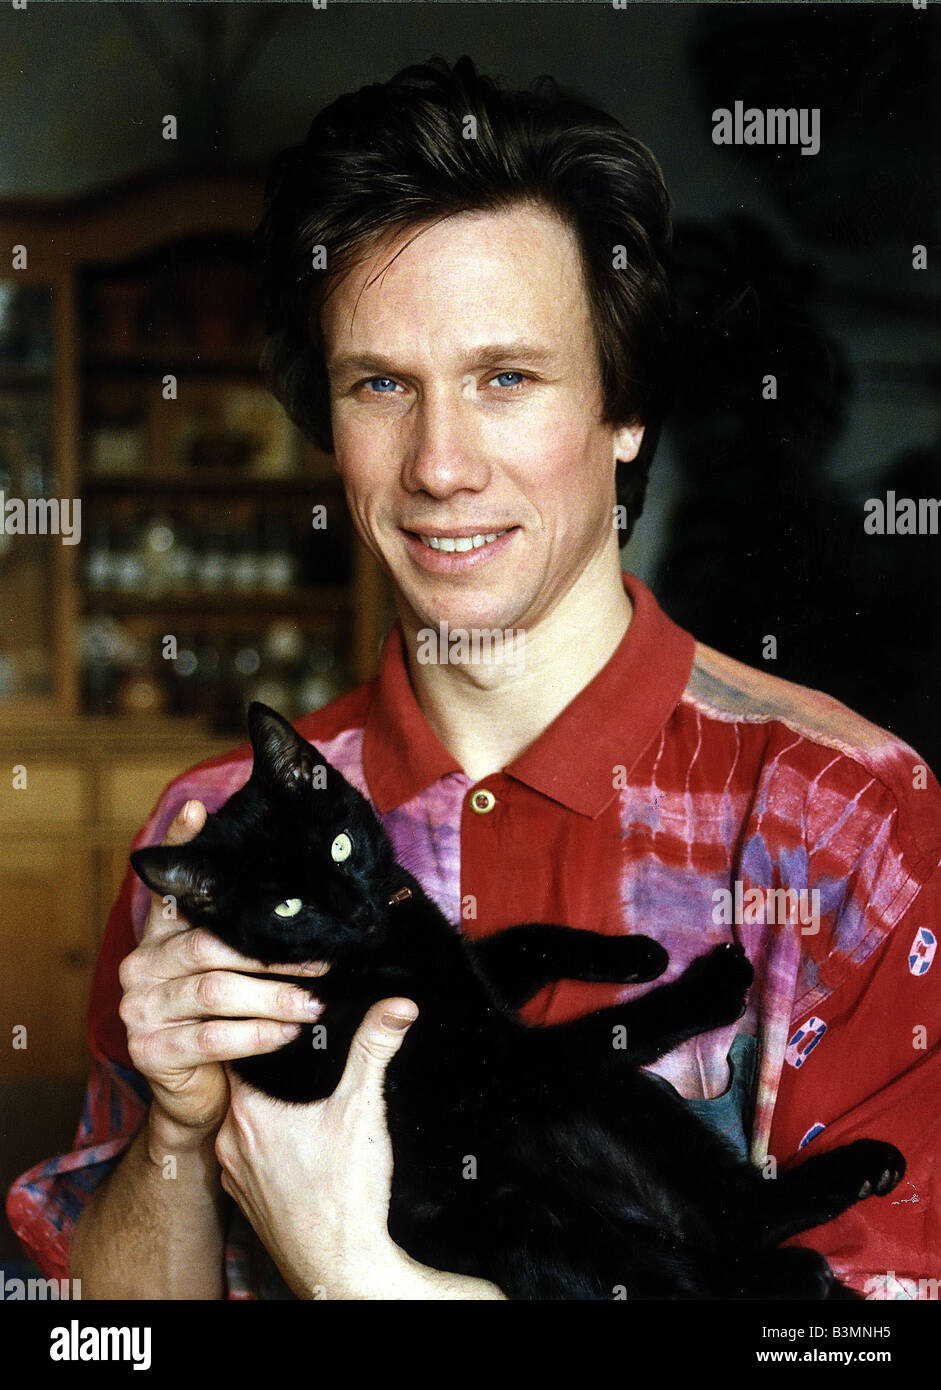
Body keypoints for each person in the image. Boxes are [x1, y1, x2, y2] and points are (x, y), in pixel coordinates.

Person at [9, 58, 939, 1301]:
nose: (439, 465)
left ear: (624, 412)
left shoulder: (850, 816)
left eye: (506, 377)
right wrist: (177, 1134)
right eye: (381, 384)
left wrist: (368, 1287)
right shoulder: (225, 823)